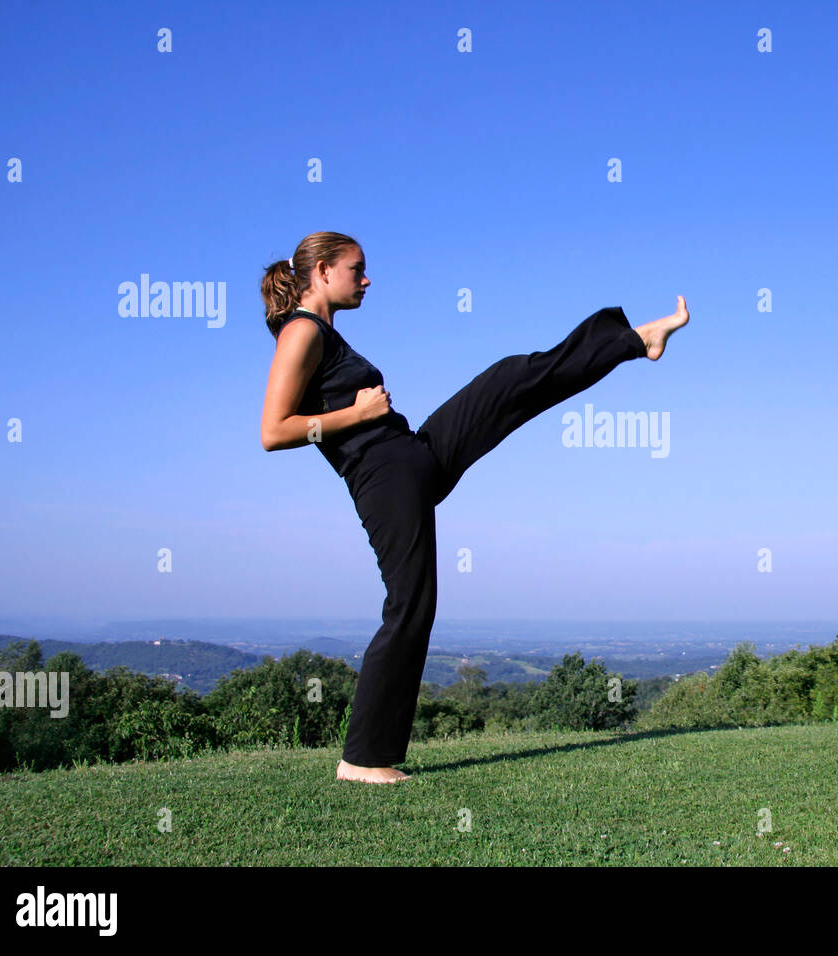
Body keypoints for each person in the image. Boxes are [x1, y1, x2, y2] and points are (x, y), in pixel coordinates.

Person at [259, 231, 690, 784]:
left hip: (414, 454)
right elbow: (274, 431)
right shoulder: (300, 331)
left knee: (510, 377)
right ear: (320, 271)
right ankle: (363, 758)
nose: (366, 279)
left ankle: (633, 339)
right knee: (410, 605)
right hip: (384, 478)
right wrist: (358, 415)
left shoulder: (324, 332)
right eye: (356, 269)